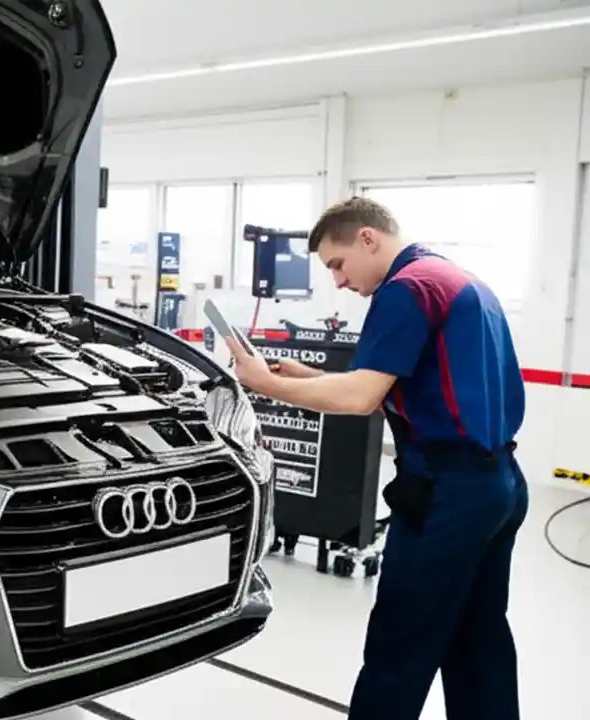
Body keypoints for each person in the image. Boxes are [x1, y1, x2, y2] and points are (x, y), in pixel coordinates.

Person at [225, 196, 527, 720]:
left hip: (447, 495)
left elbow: (360, 399)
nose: (339, 282)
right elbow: (405, 385)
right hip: (498, 484)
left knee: (399, 641)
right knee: (478, 638)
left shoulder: (406, 290)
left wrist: (266, 384)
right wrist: (306, 376)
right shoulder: (455, 279)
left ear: (368, 238)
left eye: (337, 265)